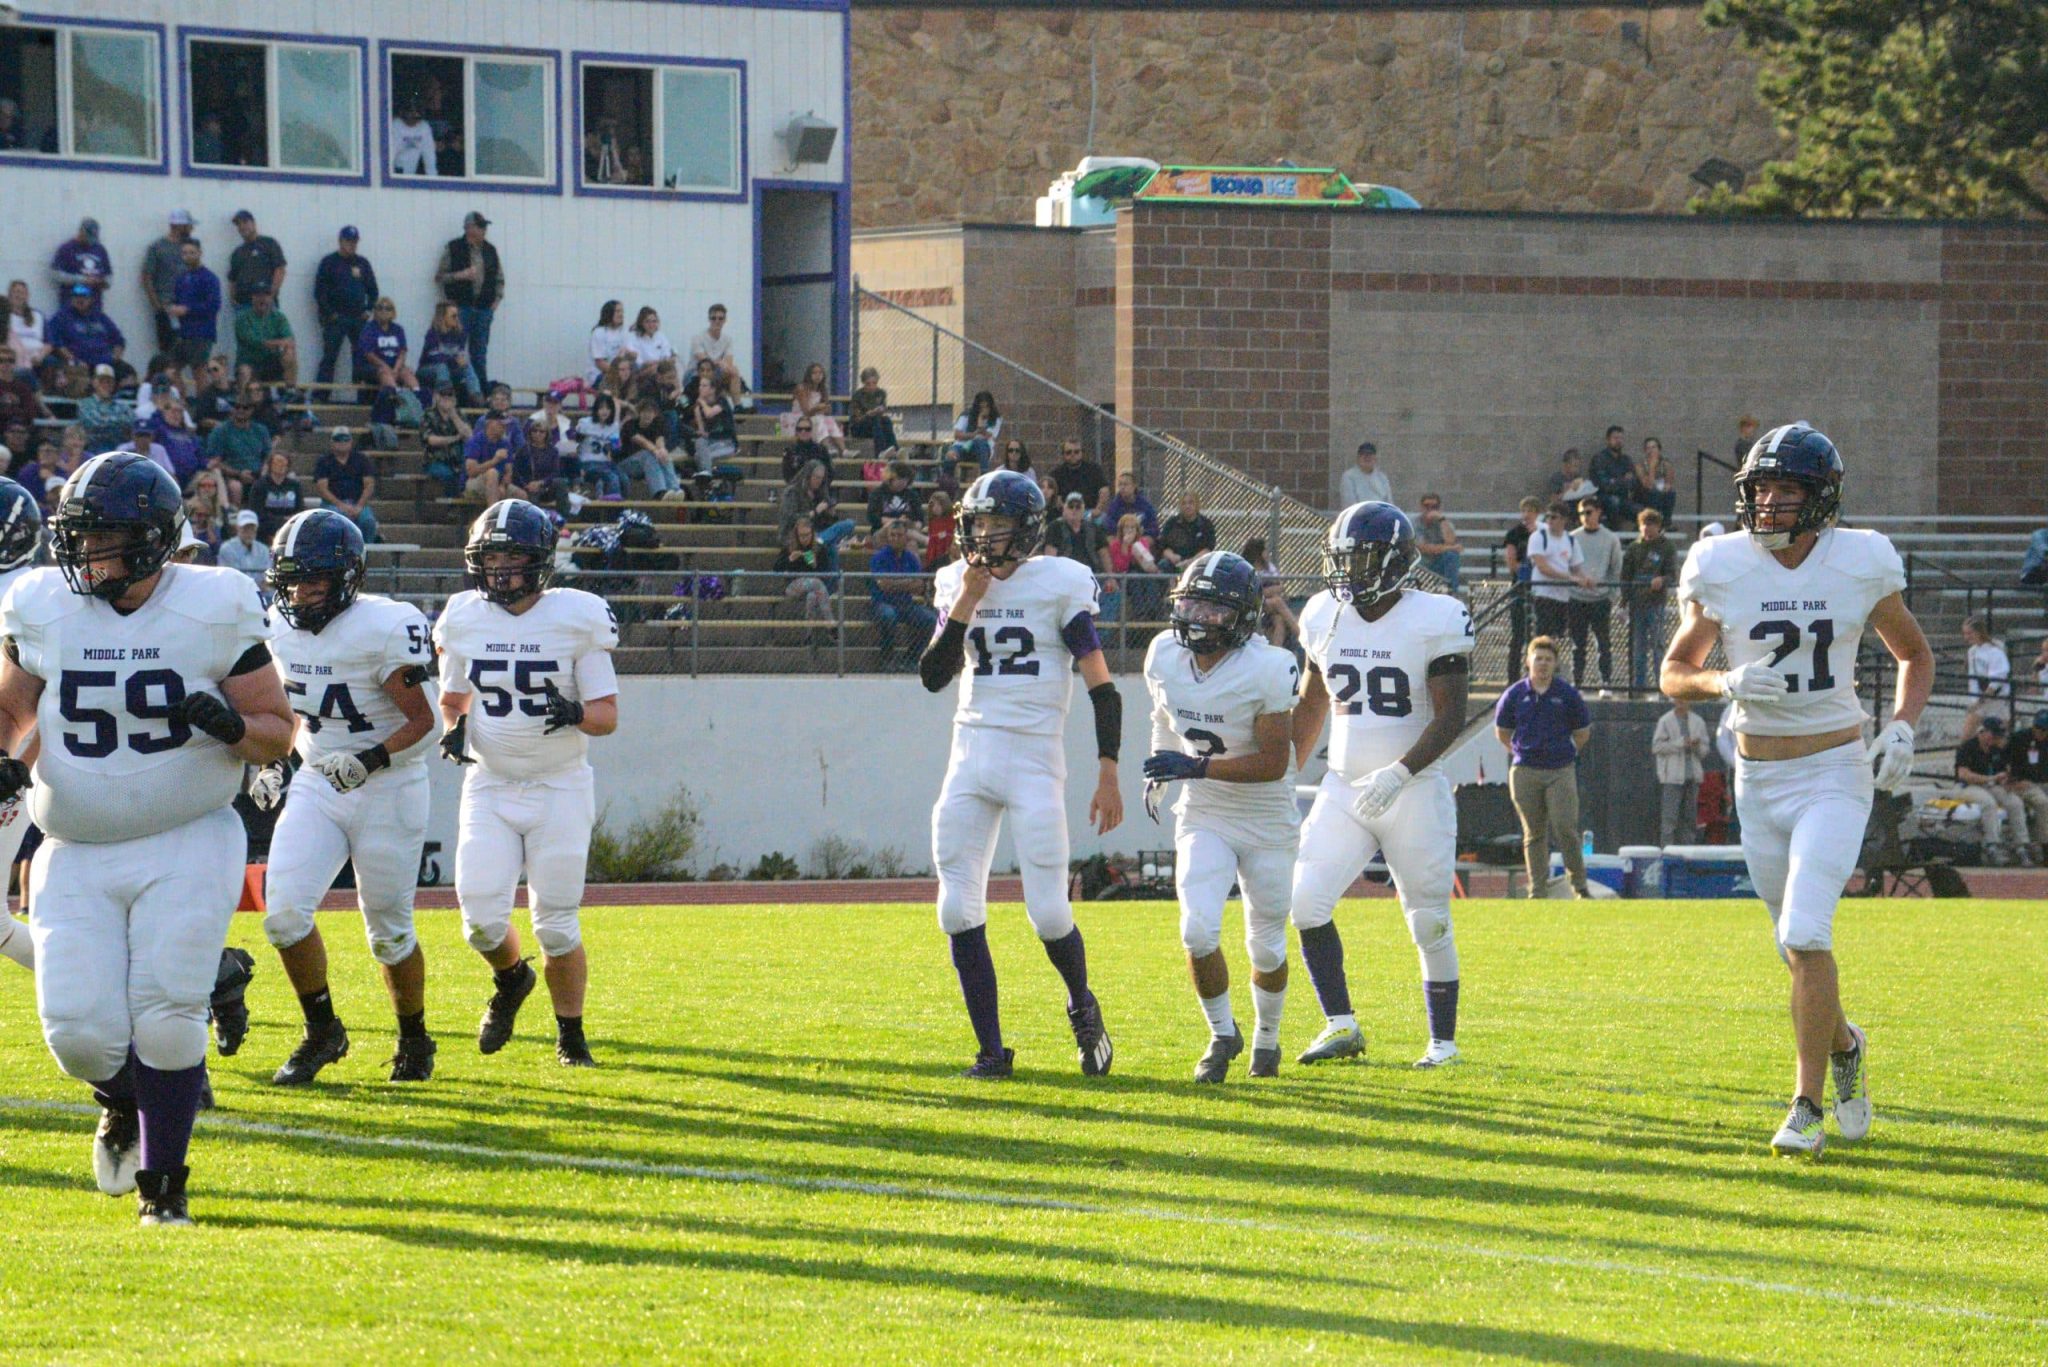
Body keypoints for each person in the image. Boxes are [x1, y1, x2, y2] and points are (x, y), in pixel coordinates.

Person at [0, 452, 293, 1225]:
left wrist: (233, 726)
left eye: (101, 538)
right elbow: (11, 710)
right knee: (79, 1036)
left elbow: (277, 730)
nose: (83, 554)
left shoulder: (215, 603)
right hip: (74, 844)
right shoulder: (42, 603)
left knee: (166, 1012)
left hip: (186, 834)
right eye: (78, 536)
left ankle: (165, 1185)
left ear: (153, 539)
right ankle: (123, 1101)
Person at [1662, 421, 1933, 1157]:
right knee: (1795, 949)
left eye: (1787, 489)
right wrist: (1724, 679)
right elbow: (1674, 670)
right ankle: (1845, 1045)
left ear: (1820, 499)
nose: (1771, 502)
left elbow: (1913, 652)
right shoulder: (1722, 561)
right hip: (1758, 777)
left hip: (1833, 772)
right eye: (1763, 488)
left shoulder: (1860, 560)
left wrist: (1902, 725)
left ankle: (1806, 1103)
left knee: (1805, 933)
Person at [919, 471, 1122, 1078]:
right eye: (976, 523)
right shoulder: (957, 582)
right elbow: (933, 676)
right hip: (971, 753)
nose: (982, 535)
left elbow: (1103, 689)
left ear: (1026, 530)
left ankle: (1083, 1007)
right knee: (956, 908)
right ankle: (990, 1051)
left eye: (995, 524)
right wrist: (966, 603)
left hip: (1035, 759)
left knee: (1050, 915)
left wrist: (1107, 771)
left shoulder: (1058, 584)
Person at [245, 509, 440, 1084]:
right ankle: (322, 1030)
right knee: (282, 914)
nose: (300, 593)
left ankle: (414, 1036)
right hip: (319, 779)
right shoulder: (275, 625)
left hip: (390, 784)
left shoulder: (382, 625)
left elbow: (425, 722)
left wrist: (370, 759)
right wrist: (277, 759)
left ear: (347, 578)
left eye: (315, 581)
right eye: (292, 579)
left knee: (389, 931)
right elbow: (285, 705)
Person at [1285, 502, 1472, 1069]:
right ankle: (1341, 1024)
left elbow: (1451, 714)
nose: (1349, 572)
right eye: (1342, 559)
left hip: (1411, 789)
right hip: (1343, 787)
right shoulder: (1323, 613)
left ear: (1394, 563)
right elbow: (1313, 700)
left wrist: (1400, 772)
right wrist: (1284, 772)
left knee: (1427, 918)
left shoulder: (1435, 616)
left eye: (1361, 560)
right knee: (1305, 904)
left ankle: (1443, 1043)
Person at [435, 500, 620, 1067]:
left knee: (558, 925)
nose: (501, 567)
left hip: (559, 786)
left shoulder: (575, 616)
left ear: (539, 560)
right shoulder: (463, 616)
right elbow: (453, 697)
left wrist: (572, 713)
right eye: (492, 555)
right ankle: (513, 979)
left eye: (514, 554)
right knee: (480, 922)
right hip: (489, 785)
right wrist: (454, 727)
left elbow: (606, 716)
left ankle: (571, 1036)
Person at [1140, 551, 1301, 1082]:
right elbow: (1163, 716)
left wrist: (1195, 766)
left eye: (1214, 610)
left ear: (1244, 618)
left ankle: (1267, 1040)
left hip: (1265, 818)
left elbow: (1276, 763)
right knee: (1197, 930)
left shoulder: (1269, 667)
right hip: (1205, 810)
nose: (1197, 617)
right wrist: (1162, 769)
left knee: (1266, 942)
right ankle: (1221, 1033)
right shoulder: (1163, 653)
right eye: (1191, 603)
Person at [1494, 637, 1593, 899]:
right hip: (1525, 770)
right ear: (1528, 661)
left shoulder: (1567, 694)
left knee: (1565, 828)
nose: (1543, 664)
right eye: (1539, 658)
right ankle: (1537, 890)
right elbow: (1502, 731)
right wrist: (1517, 751)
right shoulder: (1515, 694)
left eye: (1549, 659)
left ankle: (1579, 885)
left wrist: (1568, 752)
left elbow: (1582, 732)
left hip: (1560, 769)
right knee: (1534, 832)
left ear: (1556, 663)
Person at [435, 212, 504, 390]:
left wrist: (495, 303)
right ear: (468, 228)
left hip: (483, 310)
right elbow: (439, 277)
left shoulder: (490, 250)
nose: (484, 230)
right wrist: (461, 275)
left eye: (484, 227)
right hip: (460, 310)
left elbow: (499, 279)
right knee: (454, 351)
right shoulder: (454, 247)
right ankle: (454, 392)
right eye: (480, 226)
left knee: (479, 353)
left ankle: (480, 392)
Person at [1953, 716, 2028, 866]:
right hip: (1967, 786)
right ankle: (1992, 845)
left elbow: (2002, 770)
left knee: (2014, 802)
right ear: (1983, 731)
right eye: (1993, 734)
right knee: (1988, 803)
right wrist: (1991, 778)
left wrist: (2007, 780)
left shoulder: (1996, 749)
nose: (1995, 738)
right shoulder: (1968, 747)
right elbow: (1964, 775)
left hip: (1990, 784)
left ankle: (2022, 845)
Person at [1622, 508, 1681, 691]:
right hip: (1637, 604)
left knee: (1658, 646)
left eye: (1651, 524)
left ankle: (1661, 686)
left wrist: (1661, 580)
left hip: (1656, 603)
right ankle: (1638, 688)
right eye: (1643, 524)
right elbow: (1625, 576)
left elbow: (1672, 574)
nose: (1647, 528)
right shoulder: (1634, 548)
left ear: (1658, 526)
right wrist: (1624, 601)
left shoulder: (1666, 547)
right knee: (1638, 648)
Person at [1567, 495, 1622, 692]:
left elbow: (1616, 569)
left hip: (1600, 599)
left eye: (1589, 512)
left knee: (1603, 643)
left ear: (1598, 512)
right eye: (1581, 513)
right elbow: (1566, 567)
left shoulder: (1610, 539)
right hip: (1577, 597)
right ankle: (1578, 682)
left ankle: (1605, 682)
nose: (1585, 516)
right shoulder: (1572, 538)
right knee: (1577, 644)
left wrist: (1611, 596)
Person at [313, 227, 378, 389]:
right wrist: (330, 313)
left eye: (354, 241)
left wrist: (368, 310)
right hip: (336, 318)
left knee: (361, 358)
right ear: (340, 241)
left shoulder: (363, 263)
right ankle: (321, 397)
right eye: (348, 241)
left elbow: (373, 290)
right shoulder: (328, 262)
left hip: (358, 319)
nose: (352, 245)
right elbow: (319, 292)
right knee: (329, 357)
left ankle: (361, 398)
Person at [867, 520, 934, 667]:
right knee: (888, 615)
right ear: (888, 537)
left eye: (899, 535)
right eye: (892, 535)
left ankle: (911, 658)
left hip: (905, 604)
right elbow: (883, 586)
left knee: (930, 620)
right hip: (882, 603)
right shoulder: (879, 558)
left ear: (906, 538)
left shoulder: (911, 558)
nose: (895, 538)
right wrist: (907, 583)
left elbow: (919, 585)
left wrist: (895, 583)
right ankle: (887, 659)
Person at [1527, 502, 1586, 643]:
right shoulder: (1538, 537)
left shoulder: (1570, 540)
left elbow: (1577, 568)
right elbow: (1543, 567)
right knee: (1542, 637)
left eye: (1554, 517)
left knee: (1557, 638)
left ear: (1564, 520)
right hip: (1543, 595)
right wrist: (1570, 578)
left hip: (1562, 597)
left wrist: (1585, 580)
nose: (1549, 521)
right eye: (1547, 517)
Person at [1653, 699, 1709, 845]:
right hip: (1672, 777)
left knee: (1690, 820)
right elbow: (1657, 747)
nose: (1681, 703)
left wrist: (1695, 746)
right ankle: (1667, 852)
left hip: (1693, 777)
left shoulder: (1698, 721)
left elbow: (1704, 751)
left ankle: (1688, 853)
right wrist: (1680, 744)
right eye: (1678, 700)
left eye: (1685, 699)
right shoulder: (1665, 721)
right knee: (1669, 820)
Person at [165, 241, 222, 386]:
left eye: (192, 252)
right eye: (184, 253)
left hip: (201, 333)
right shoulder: (181, 279)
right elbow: (177, 301)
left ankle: (203, 406)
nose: (188, 256)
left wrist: (187, 309)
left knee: (199, 372)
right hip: (183, 333)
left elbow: (213, 306)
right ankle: (182, 402)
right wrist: (172, 308)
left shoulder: (209, 278)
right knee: (171, 370)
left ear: (199, 253)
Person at [142, 210, 198, 353]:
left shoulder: (190, 247)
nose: (191, 229)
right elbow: (147, 277)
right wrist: (158, 307)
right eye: (188, 225)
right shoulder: (157, 248)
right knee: (169, 351)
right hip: (167, 308)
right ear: (177, 225)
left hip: (188, 309)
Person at [315, 427, 379, 544]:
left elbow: (369, 484)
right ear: (332, 442)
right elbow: (322, 488)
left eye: (346, 439)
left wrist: (359, 506)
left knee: (368, 521)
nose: (342, 442)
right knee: (337, 520)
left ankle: (366, 550)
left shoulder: (361, 459)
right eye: (338, 439)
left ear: (351, 441)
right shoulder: (324, 461)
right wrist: (341, 505)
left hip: (358, 502)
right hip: (332, 504)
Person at [2002, 712, 2048, 866]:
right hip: (2023, 783)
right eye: (2038, 728)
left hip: (2043, 782)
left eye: (2044, 729)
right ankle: (2044, 845)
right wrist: (2014, 779)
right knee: (2042, 803)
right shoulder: (2019, 738)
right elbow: (2004, 761)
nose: (2041, 732)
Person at [1501, 495, 1542, 671]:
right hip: (1520, 587)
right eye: (1524, 510)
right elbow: (1511, 562)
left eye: (1530, 511)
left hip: (1541, 588)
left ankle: (1535, 671)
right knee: (1518, 634)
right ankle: (1513, 674)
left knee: (1539, 634)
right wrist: (1524, 570)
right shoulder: (1514, 534)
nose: (1526, 514)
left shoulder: (1542, 534)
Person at [233, 286, 297, 390]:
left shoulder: (279, 317)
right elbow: (255, 342)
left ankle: (290, 394)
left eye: (267, 295)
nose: (263, 299)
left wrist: (284, 345)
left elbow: (290, 340)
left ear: (272, 297)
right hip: (249, 362)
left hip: (271, 363)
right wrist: (279, 343)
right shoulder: (242, 318)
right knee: (244, 371)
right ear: (252, 298)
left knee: (289, 352)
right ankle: (242, 403)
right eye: (258, 295)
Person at [417, 301, 482, 405]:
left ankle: (476, 396)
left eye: (457, 316)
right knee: (441, 367)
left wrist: (461, 361)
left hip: (449, 367)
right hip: (428, 369)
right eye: (453, 316)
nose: (457, 319)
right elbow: (434, 358)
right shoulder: (433, 334)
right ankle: (445, 397)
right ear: (443, 317)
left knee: (467, 365)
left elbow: (460, 354)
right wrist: (454, 360)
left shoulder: (460, 334)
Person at [773, 517, 835, 624]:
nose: (804, 538)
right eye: (801, 536)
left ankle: (809, 633)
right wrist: (790, 559)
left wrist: (815, 565)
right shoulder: (789, 547)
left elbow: (825, 572)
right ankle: (830, 623)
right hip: (793, 586)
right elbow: (776, 568)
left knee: (812, 597)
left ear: (812, 533)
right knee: (816, 583)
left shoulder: (819, 548)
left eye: (807, 535)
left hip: (815, 588)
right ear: (796, 535)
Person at [688, 303, 749, 404]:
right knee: (711, 371)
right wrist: (721, 363)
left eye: (720, 318)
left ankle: (738, 407)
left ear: (725, 320)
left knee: (734, 370)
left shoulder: (727, 339)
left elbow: (729, 362)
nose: (717, 321)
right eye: (713, 318)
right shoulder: (698, 338)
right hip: (696, 374)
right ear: (709, 319)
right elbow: (704, 361)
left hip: (716, 373)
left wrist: (722, 365)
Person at [226, 210, 286, 310]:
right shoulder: (237, 252)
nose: (242, 226)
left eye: (245, 222)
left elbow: (280, 269)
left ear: (253, 223)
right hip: (243, 306)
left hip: (265, 304)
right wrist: (233, 299)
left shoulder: (269, 243)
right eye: (238, 224)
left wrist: (271, 295)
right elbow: (233, 279)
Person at [355, 297, 416, 394]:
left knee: (407, 373)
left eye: (388, 308)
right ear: (375, 311)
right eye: (380, 308)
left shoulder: (398, 329)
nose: (384, 311)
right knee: (384, 372)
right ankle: (397, 397)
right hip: (372, 367)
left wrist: (396, 369)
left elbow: (402, 353)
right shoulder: (368, 329)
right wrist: (387, 368)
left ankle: (418, 399)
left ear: (393, 312)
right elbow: (369, 355)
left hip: (394, 366)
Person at [571, 393, 624, 501]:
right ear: (596, 410)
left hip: (606, 463)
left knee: (624, 479)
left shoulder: (614, 426)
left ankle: (623, 511)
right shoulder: (585, 423)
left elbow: (616, 448)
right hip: (588, 462)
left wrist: (615, 446)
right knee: (612, 478)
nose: (604, 411)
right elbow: (573, 442)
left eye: (608, 408)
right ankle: (612, 511)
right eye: (601, 408)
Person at [1044, 491, 1109, 575]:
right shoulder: (1055, 527)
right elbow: (1050, 557)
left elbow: (1104, 554)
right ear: (1064, 509)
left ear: (1083, 510)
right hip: (1063, 574)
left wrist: (1110, 577)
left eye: (1078, 507)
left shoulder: (1094, 527)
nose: (1074, 510)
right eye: (1070, 506)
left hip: (1090, 574)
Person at [49, 217, 113, 302]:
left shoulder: (100, 249)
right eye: (88, 236)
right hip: (71, 303)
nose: (90, 241)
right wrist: (82, 280)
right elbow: (55, 274)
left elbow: (108, 274)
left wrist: (103, 282)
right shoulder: (67, 248)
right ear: (81, 232)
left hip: (94, 304)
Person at [462, 412, 519, 506]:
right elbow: (471, 472)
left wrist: (502, 486)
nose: (505, 428)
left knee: (521, 495)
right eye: (501, 424)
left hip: (499, 482)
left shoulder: (505, 443)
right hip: (475, 483)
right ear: (490, 424)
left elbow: (509, 471)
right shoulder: (475, 441)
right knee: (492, 473)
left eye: (505, 425)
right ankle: (494, 517)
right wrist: (494, 461)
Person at [787, 363, 843, 457]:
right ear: (809, 375)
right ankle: (827, 447)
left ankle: (843, 450)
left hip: (814, 417)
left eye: (820, 373)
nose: (818, 376)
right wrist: (817, 409)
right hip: (799, 419)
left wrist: (826, 409)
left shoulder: (822, 390)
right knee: (819, 419)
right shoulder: (802, 388)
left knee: (829, 420)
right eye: (814, 373)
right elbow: (806, 412)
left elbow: (826, 412)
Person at [247, 450, 304, 541]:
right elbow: (257, 511)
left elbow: (300, 509)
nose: (280, 466)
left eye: (283, 463)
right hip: (266, 527)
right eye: (277, 462)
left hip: (290, 525)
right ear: (271, 465)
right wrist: (281, 520)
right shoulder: (260, 485)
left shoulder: (295, 485)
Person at [1154, 492, 1216, 575]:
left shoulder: (1205, 524)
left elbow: (1208, 549)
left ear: (1197, 504)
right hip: (1175, 563)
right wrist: (1172, 557)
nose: (1187, 506)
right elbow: (1163, 546)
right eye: (1184, 503)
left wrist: (1191, 561)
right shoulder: (1172, 523)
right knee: (1163, 565)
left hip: (1197, 562)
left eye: (1191, 502)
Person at [1414, 493, 1461, 590]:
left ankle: (1451, 591)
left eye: (1434, 507)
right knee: (1451, 551)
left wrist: (1442, 519)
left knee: (1452, 555)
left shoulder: (1443, 522)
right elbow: (1423, 548)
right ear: (1421, 507)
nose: (1430, 510)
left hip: (1438, 562)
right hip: (1420, 563)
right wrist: (1449, 547)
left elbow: (1450, 541)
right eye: (1427, 506)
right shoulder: (1414, 524)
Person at [847, 367, 897, 457]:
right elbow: (857, 418)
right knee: (874, 420)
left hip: (875, 425)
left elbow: (883, 408)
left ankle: (895, 449)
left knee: (886, 420)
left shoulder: (881, 393)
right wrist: (867, 414)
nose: (871, 387)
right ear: (863, 383)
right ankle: (881, 451)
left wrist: (881, 410)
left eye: (874, 383)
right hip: (860, 427)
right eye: (868, 384)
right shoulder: (858, 396)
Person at [1589, 425, 1634, 526]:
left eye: (1620, 438)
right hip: (1603, 498)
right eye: (1615, 438)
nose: (1618, 441)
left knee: (1642, 512)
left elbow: (1633, 483)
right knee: (1614, 502)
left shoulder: (1626, 460)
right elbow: (1604, 485)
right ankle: (1614, 533)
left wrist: (1615, 481)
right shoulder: (1599, 459)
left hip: (1623, 499)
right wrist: (1623, 480)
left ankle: (1629, 541)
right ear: (1608, 440)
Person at [1050, 439, 1108, 515]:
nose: (1072, 454)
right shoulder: (1056, 473)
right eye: (1068, 452)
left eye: (1076, 452)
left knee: (1103, 520)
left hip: (1090, 512)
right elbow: (1054, 496)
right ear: (1063, 455)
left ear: (1082, 453)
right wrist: (1064, 508)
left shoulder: (1094, 469)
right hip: (1066, 513)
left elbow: (1104, 490)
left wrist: (1098, 509)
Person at [865, 460, 923, 533]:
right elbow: (872, 517)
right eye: (899, 479)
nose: (902, 482)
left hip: (907, 532)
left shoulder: (912, 495)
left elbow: (920, 519)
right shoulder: (877, 493)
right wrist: (895, 522)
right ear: (890, 478)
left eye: (905, 479)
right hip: (883, 530)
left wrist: (914, 526)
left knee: (912, 541)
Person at [948, 391, 1001, 470]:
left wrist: (981, 417)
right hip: (962, 447)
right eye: (981, 407)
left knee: (980, 441)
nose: (984, 409)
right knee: (951, 454)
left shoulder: (996, 419)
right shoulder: (967, 415)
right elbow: (957, 435)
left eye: (986, 407)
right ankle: (947, 479)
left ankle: (984, 473)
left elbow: (986, 436)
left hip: (981, 451)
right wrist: (974, 434)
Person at [215, 508, 270, 580]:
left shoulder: (264, 550)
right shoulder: (226, 549)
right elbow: (230, 578)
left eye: (252, 528)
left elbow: (266, 579)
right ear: (237, 528)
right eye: (245, 528)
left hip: (259, 590)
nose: (249, 532)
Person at [1102, 470, 1159, 539]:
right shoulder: (1114, 505)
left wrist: (1139, 533)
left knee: (1149, 540)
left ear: (1134, 486)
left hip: (1140, 537)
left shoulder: (1145, 505)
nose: (1122, 487)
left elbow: (1154, 527)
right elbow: (1108, 525)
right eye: (1120, 484)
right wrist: (1123, 533)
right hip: (1120, 537)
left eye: (1125, 484)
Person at [1633, 437, 1677, 522]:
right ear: (1645, 451)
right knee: (1653, 493)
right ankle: (1654, 521)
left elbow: (1669, 483)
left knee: (1671, 493)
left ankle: (1666, 522)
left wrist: (1666, 488)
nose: (1651, 450)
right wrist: (1652, 467)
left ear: (1659, 449)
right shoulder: (1640, 466)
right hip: (1644, 495)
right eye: (1648, 448)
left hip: (1661, 493)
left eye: (1654, 447)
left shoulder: (1666, 464)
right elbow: (1648, 485)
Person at [1338, 442, 1390, 507]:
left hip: (1381, 514)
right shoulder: (1348, 477)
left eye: (1370, 454)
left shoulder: (1382, 478)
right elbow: (1350, 505)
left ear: (1375, 458)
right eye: (1363, 454)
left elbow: (1389, 504)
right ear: (1358, 458)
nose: (1367, 457)